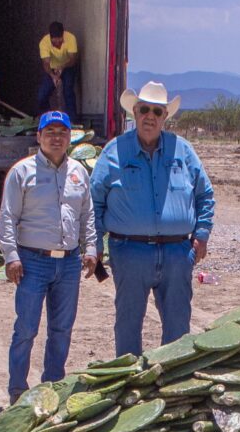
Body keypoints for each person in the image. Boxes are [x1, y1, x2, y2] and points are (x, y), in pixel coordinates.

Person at [89, 81, 215, 356]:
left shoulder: (183, 151)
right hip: (129, 251)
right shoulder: (113, 151)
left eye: (157, 111)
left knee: (178, 325)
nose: (150, 116)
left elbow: (205, 194)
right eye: (144, 109)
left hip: (177, 252)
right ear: (134, 112)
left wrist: (201, 234)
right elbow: (94, 202)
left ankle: (170, 387)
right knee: (128, 322)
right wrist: (95, 244)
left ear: (165, 117)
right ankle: (128, 383)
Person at [0, 111, 99, 401]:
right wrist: (11, 256)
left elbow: (87, 215)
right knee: (26, 328)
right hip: (32, 262)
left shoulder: (79, 172)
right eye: (50, 132)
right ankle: (17, 391)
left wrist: (90, 249)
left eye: (62, 132)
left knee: (62, 329)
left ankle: (53, 386)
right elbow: (8, 217)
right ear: (39, 136)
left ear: (70, 137)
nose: (56, 137)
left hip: (68, 263)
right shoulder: (22, 172)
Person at [37, 21, 79, 117]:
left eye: (59, 40)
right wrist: (53, 76)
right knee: (42, 95)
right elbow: (46, 63)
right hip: (51, 69)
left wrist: (62, 67)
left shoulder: (71, 38)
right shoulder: (44, 42)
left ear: (63, 35)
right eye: (54, 41)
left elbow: (73, 59)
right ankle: (47, 119)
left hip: (68, 66)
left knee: (68, 92)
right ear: (50, 37)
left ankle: (72, 121)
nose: (57, 43)